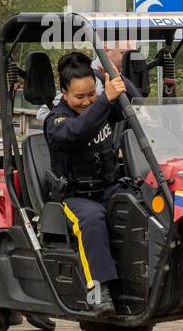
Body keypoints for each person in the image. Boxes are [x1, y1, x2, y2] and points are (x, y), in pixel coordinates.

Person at [43, 50, 136, 317]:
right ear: (64, 93)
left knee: (141, 203)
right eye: (79, 97)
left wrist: (116, 77)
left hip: (109, 188)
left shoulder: (101, 108)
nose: (86, 102)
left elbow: (133, 101)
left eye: (91, 94)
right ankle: (98, 291)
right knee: (92, 220)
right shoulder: (57, 121)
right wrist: (103, 101)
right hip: (75, 198)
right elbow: (77, 131)